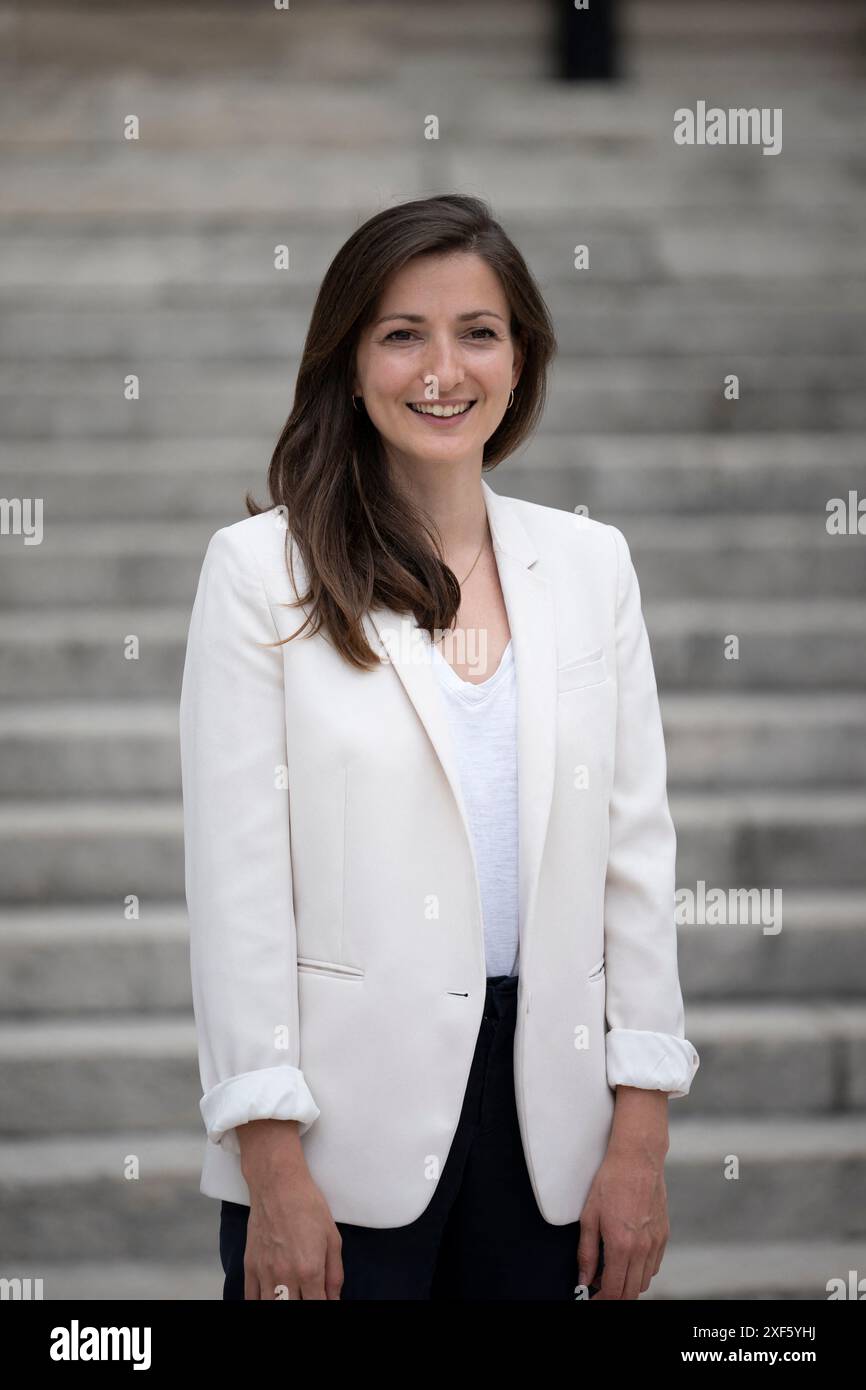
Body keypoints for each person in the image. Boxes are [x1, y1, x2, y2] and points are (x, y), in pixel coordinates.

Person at [178, 193, 700, 1302]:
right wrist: (272, 1169)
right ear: (350, 359)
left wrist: (638, 1138)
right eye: (400, 333)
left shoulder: (591, 563)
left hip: (548, 1134)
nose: (441, 368)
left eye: (477, 331)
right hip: (337, 1142)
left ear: (520, 358)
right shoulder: (258, 572)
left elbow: (634, 861)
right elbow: (237, 889)